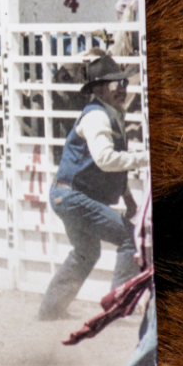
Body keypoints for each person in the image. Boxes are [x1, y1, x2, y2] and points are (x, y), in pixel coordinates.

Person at [37, 53, 149, 320]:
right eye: (115, 84)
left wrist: (127, 196)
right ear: (99, 89)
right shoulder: (99, 116)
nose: (122, 89)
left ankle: (50, 311)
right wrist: (148, 157)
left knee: (87, 252)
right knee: (130, 240)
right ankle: (118, 308)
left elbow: (103, 163)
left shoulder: (105, 114)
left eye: (123, 82)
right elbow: (106, 159)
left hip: (67, 195)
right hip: (73, 196)